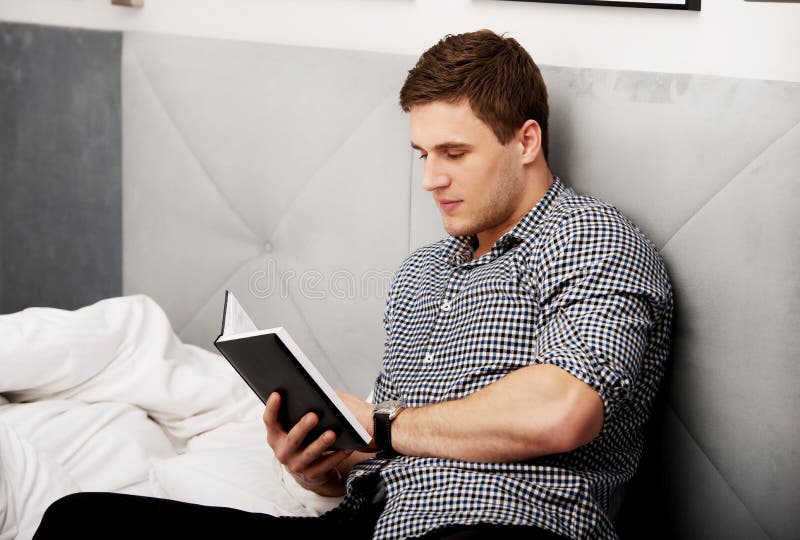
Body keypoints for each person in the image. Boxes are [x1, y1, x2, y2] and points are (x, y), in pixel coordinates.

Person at [34, 30, 672, 540]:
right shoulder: (422, 274)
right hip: (371, 525)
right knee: (77, 519)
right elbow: (387, 454)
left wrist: (384, 424)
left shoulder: (592, 239)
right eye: (423, 155)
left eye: (454, 153)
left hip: (504, 525)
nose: (431, 180)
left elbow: (563, 413)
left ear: (525, 140)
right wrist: (323, 466)